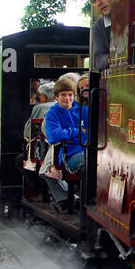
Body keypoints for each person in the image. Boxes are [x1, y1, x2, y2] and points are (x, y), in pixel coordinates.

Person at [42, 76, 88, 205]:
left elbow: (91, 131)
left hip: (85, 148)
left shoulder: (83, 110)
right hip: (68, 154)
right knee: (88, 160)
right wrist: (78, 131)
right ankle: (84, 200)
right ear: (56, 97)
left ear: (74, 95)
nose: (67, 98)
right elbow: (54, 136)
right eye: (63, 95)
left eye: (70, 94)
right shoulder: (53, 113)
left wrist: (68, 132)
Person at [87, 0, 112, 72]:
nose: (99, 3)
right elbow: (98, 60)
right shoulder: (98, 26)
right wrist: (112, 60)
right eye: (93, 0)